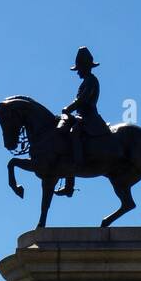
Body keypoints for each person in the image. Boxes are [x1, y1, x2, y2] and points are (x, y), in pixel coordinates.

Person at [57, 46, 108, 197]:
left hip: (89, 117)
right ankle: (68, 183)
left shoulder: (92, 81)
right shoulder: (86, 81)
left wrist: (68, 108)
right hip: (81, 116)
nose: (78, 71)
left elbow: (82, 100)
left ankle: (77, 163)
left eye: (79, 68)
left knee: (74, 133)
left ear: (86, 67)